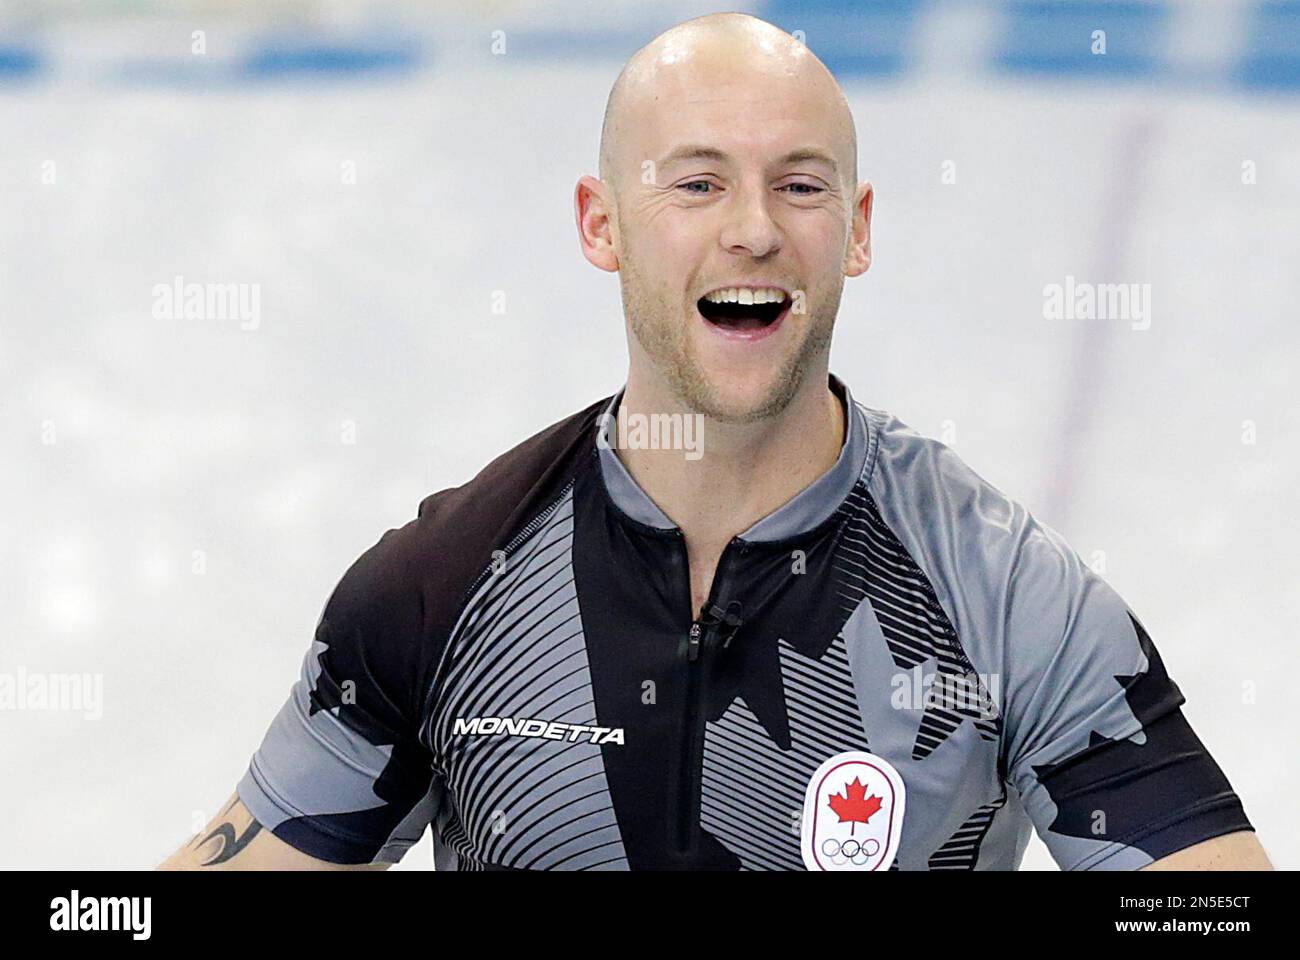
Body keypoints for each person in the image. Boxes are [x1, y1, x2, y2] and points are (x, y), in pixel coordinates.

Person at [160, 13, 1270, 871]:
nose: (753, 227)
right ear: (602, 224)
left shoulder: (1005, 595)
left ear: (858, 228)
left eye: (799, 185)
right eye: (697, 183)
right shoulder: (442, 587)